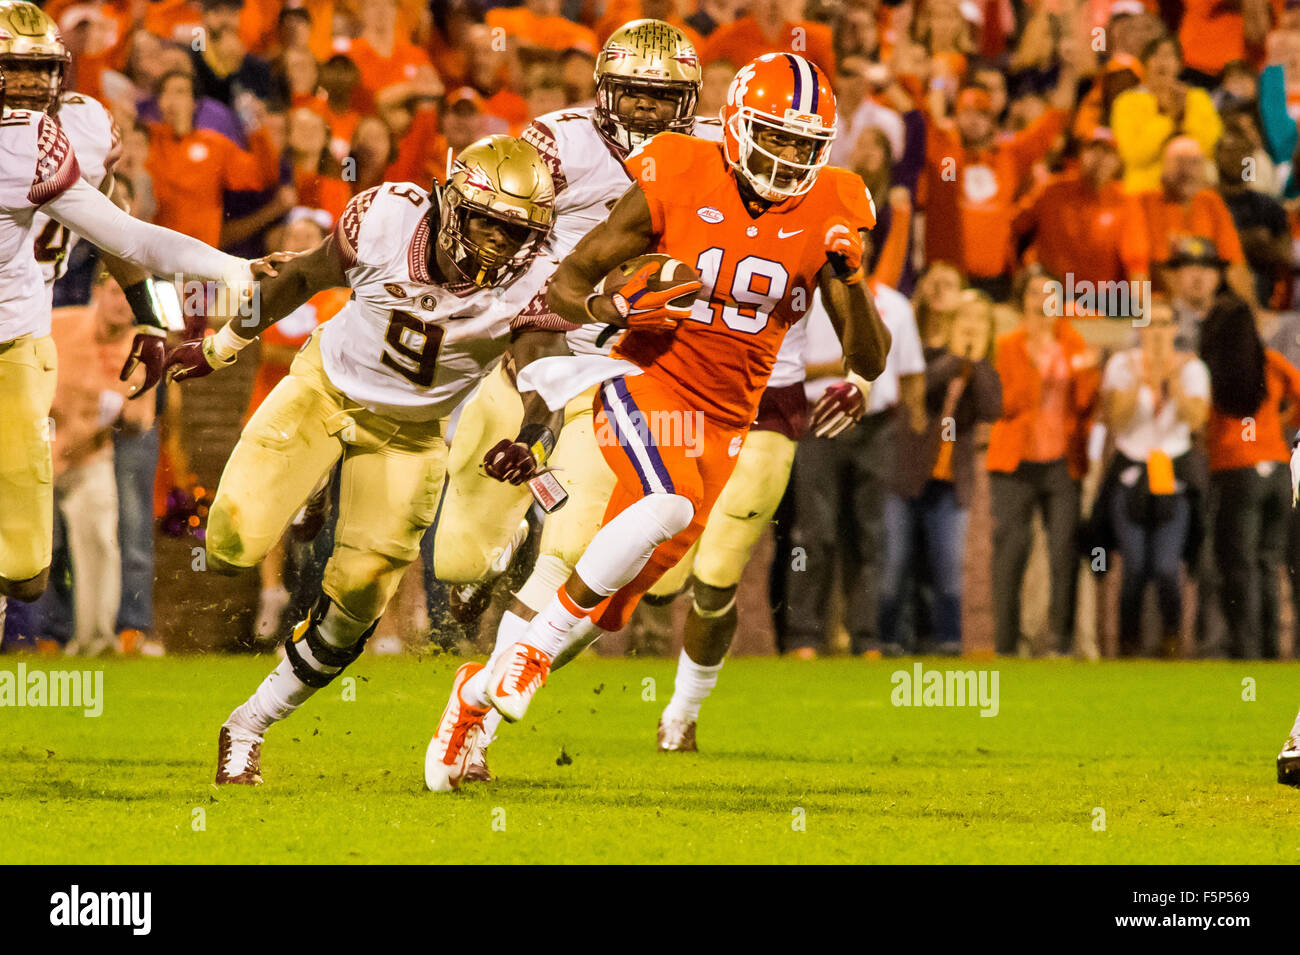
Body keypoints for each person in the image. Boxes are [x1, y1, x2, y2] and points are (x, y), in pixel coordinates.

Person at [424, 52, 891, 791]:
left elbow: (867, 360)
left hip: (727, 417)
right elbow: (572, 281)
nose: (792, 157)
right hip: (640, 376)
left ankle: (476, 695)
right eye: (778, 136)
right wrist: (618, 307)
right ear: (736, 126)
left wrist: (854, 280)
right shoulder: (677, 168)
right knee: (658, 506)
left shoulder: (834, 204)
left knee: (603, 603)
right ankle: (529, 654)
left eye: (806, 144)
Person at [162, 136, 559, 786]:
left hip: (408, 433)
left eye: (513, 230)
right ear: (454, 205)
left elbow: (546, 367)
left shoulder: (538, 276)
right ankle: (317, 480)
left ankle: (246, 724)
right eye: (486, 220)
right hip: (325, 387)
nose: (495, 241)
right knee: (231, 537)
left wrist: (537, 435)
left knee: (354, 610)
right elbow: (298, 278)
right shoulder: (387, 217)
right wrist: (221, 346)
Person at [880, 289, 1002, 655]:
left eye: (981, 320)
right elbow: (921, 391)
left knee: (948, 568)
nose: (971, 326)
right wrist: (956, 359)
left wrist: (976, 364)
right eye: (966, 318)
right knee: (894, 563)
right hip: (907, 476)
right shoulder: (928, 355)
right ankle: (885, 640)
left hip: (952, 482)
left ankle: (948, 641)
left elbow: (991, 409)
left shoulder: (987, 372)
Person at [987, 269, 1100, 656]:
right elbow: (1001, 404)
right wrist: (1037, 371)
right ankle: (1005, 644)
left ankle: (1061, 643)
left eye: (1049, 293)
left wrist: (1086, 370)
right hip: (1014, 461)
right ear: (1024, 300)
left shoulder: (1074, 344)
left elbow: (1087, 404)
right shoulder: (1006, 346)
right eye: (1034, 293)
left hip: (1062, 462)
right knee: (1011, 551)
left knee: (1063, 550)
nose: (1042, 301)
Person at [46, 274, 155, 655]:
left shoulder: (143, 348)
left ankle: (98, 639)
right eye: (115, 293)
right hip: (40, 452)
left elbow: (141, 420)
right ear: (97, 293)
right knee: (41, 547)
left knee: (101, 544)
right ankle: (49, 636)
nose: (123, 303)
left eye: (131, 297)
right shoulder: (57, 324)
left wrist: (119, 411)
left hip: (91, 456)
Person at [1098, 301, 1210, 657]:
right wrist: (1141, 378)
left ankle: (1172, 638)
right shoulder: (1121, 365)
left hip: (1172, 476)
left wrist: (1171, 377)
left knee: (1165, 566)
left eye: (1164, 324)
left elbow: (1195, 420)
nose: (1158, 331)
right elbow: (1116, 419)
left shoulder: (1191, 368)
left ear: (1175, 329)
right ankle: (1127, 643)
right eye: (1150, 324)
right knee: (1132, 566)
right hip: (1132, 473)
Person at [1200, 294, 1300, 659]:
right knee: (1267, 561)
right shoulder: (1270, 363)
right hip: (1277, 471)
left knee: (1238, 564)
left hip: (1236, 471)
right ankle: (1273, 648)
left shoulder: (1213, 367)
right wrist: (1287, 423)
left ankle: (1247, 647)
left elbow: (1201, 418)